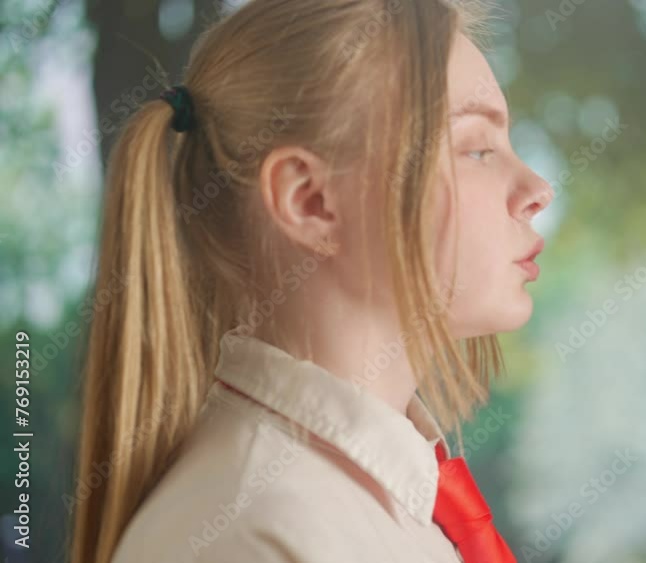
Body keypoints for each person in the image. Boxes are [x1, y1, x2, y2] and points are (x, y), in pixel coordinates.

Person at [69, 0, 553, 561]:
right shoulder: (257, 536)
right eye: (476, 148)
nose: (537, 188)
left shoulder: (371, 510)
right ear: (311, 201)